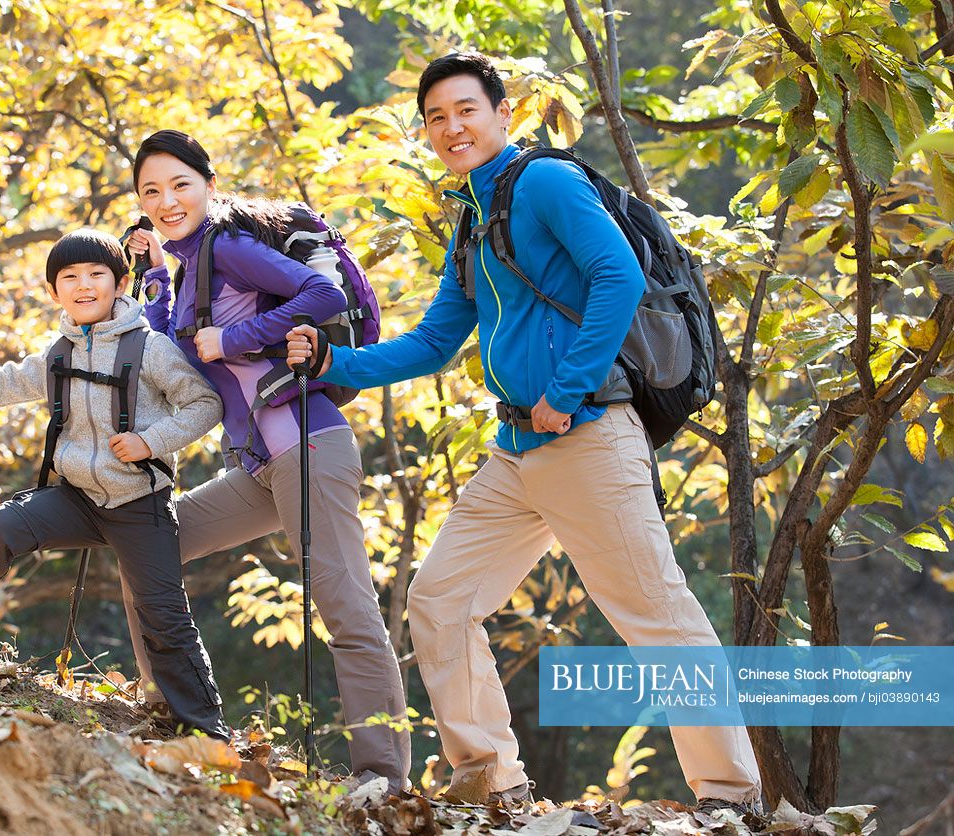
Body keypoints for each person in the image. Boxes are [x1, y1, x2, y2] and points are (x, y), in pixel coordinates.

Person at [285, 53, 762, 813]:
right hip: (516, 451)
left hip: (587, 434)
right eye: (436, 117)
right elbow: (434, 343)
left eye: (465, 110)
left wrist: (565, 391)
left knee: (656, 614)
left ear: (503, 114)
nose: (452, 127)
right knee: (440, 600)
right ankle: (490, 781)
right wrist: (332, 363)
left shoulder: (543, 182)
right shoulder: (473, 220)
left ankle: (730, 796)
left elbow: (617, 276)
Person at [121, 130, 411, 788]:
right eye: (151, 191)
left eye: (180, 185)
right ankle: (176, 715)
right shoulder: (188, 271)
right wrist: (153, 275)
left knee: (346, 608)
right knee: (146, 547)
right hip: (257, 468)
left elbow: (321, 294)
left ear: (209, 185)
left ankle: (383, 779)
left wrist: (236, 337)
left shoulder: (228, 244)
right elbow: (163, 353)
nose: (167, 201)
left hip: (309, 446)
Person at [0, 228, 229, 740]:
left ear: (120, 283)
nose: (84, 285)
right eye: (70, 277)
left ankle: (204, 730)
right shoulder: (57, 355)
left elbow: (205, 404)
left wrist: (149, 441)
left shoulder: (151, 349)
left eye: (97, 274)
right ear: (54, 292)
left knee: (163, 613)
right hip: (74, 499)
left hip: (140, 502)